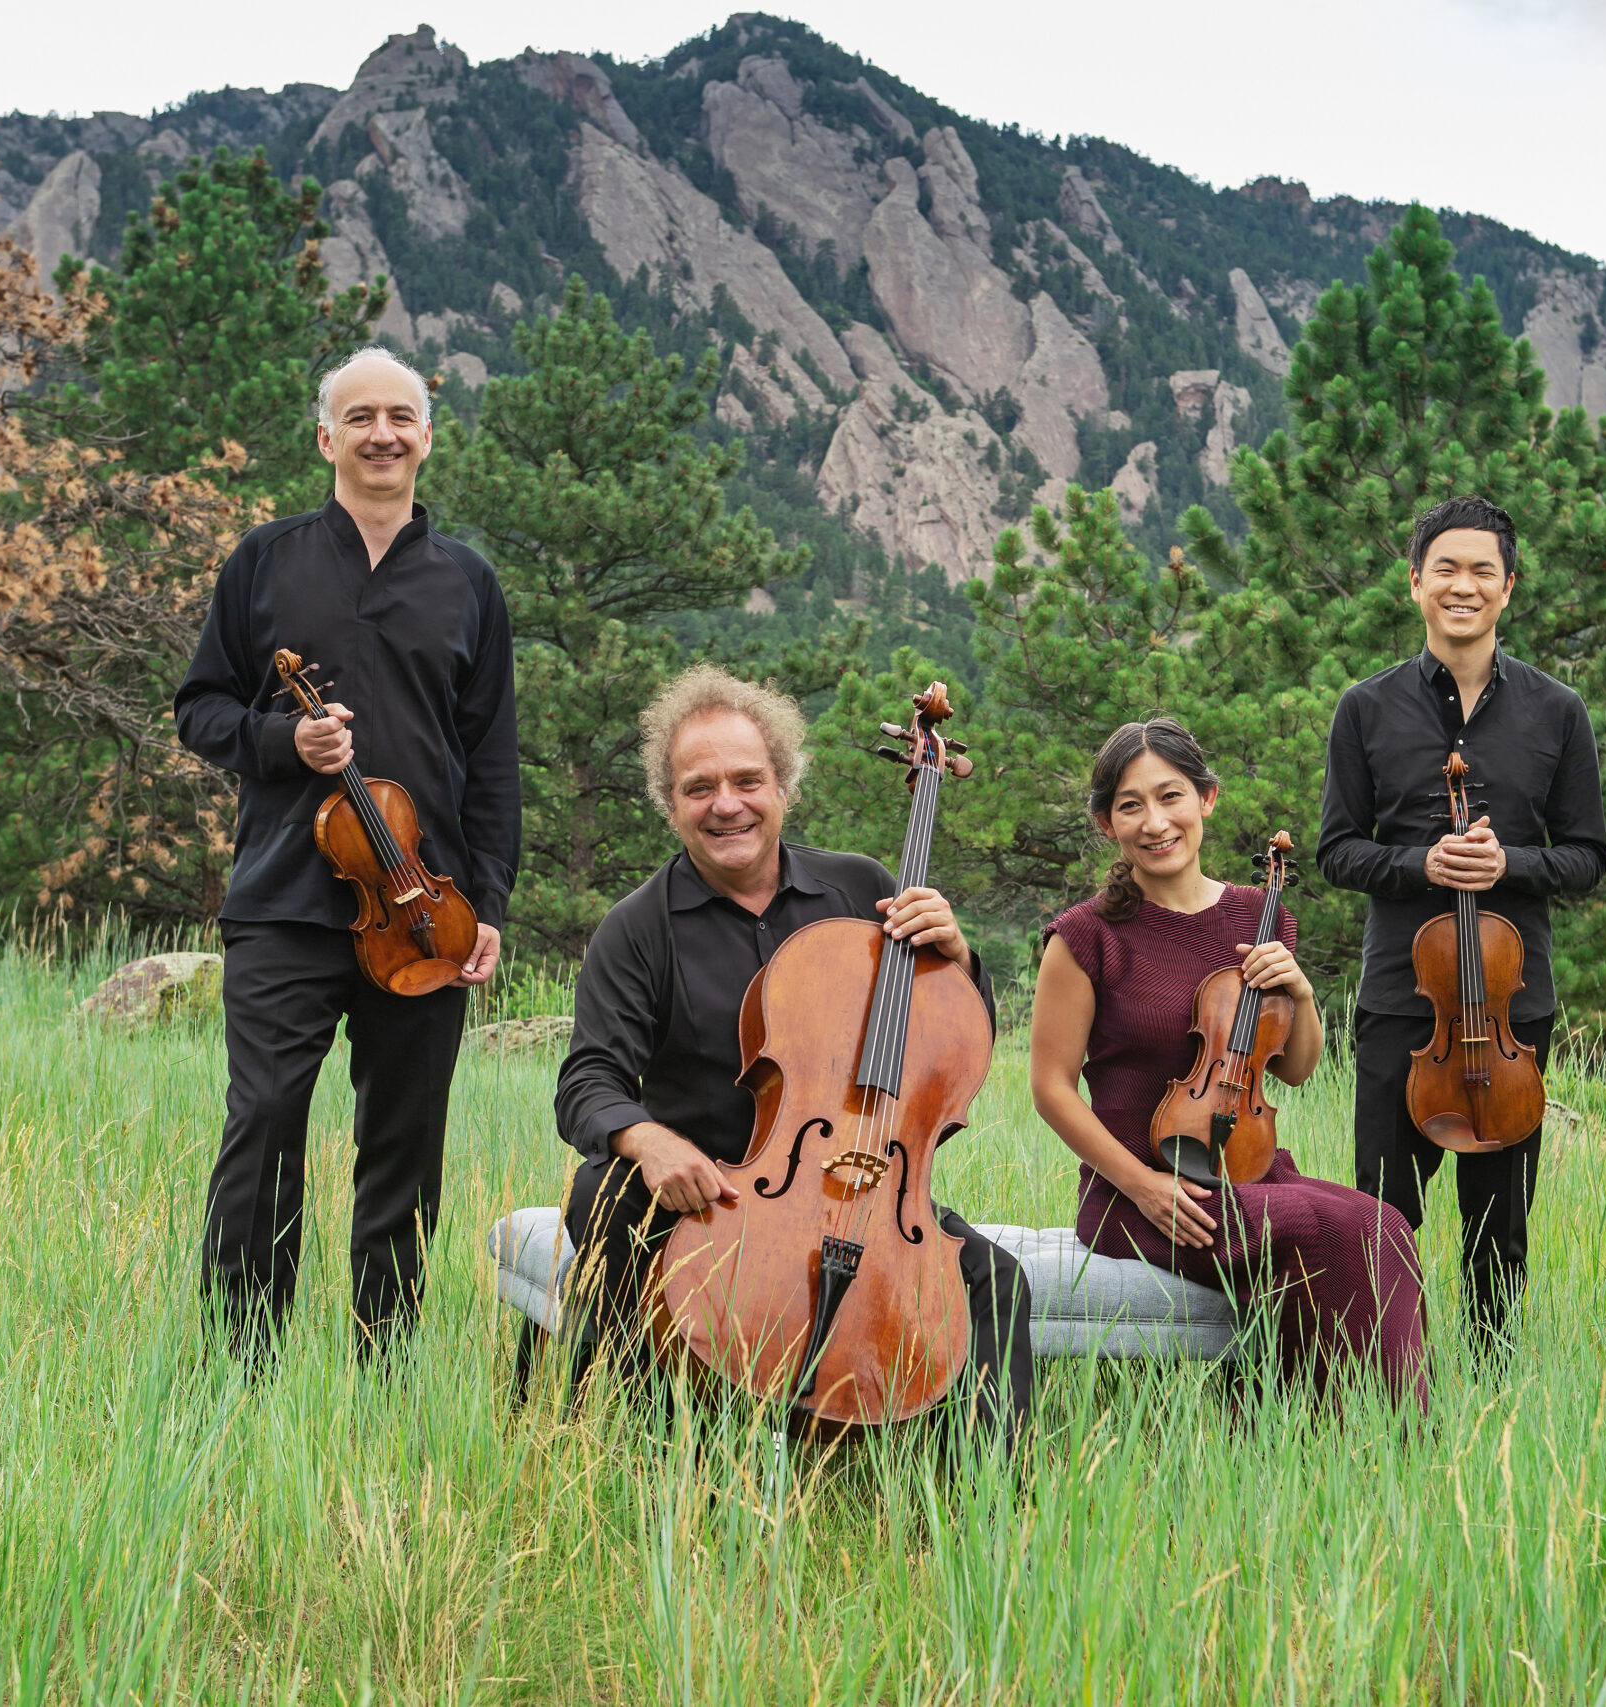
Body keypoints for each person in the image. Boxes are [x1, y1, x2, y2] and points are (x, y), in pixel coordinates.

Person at [553, 664, 1033, 1440]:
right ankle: (647, 1435)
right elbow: (588, 1079)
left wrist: (960, 958)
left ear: (783, 785)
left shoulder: (862, 890)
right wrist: (649, 1141)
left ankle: (981, 1480)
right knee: (602, 1190)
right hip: (709, 1190)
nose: (727, 804)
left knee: (994, 1280)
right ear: (670, 805)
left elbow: (949, 1041)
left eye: (748, 780)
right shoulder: (638, 927)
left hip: (856, 1183)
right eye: (699, 787)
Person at [175, 346, 519, 1362]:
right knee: (264, 1123)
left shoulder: (468, 582)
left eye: (400, 417)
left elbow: (492, 759)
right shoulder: (264, 561)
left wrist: (488, 903)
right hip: (283, 901)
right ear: (326, 437)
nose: (382, 434)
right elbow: (199, 710)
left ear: (427, 438)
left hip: (423, 911)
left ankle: (387, 1367)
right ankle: (238, 1363)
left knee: (405, 1144)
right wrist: (285, 740)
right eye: (360, 417)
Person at [1030, 718, 1429, 1402]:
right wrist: (1142, 1186)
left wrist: (1300, 992)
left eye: (1171, 796)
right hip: (1140, 1195)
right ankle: (1342, 1430)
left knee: (1385, 1224)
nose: (1155, 822)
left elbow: (1294, 1069)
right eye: (1130, 805)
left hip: (1246, 1171)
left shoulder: (1259, 916)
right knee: (1342, 1231)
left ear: (1206, 799)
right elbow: (1050, 1088)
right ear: (1106, 823)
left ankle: (1362, 1431)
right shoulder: (1085, 936)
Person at [1317, 495, 1606, 1360]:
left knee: (1499, 1228)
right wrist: (1423, 865)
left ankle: (1492, 1387)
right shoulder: (1365, 708)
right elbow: (1337, 849)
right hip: (1403, 1002)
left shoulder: (1558, 711)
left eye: (1483, 569)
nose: (1463, 585)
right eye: (1445, 567)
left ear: (1508, 587)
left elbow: (1588, 855)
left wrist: (1509, 864)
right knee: (1382, 1217)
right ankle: (1381, 1385)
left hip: (1513, 1009)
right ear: (1415, 582)